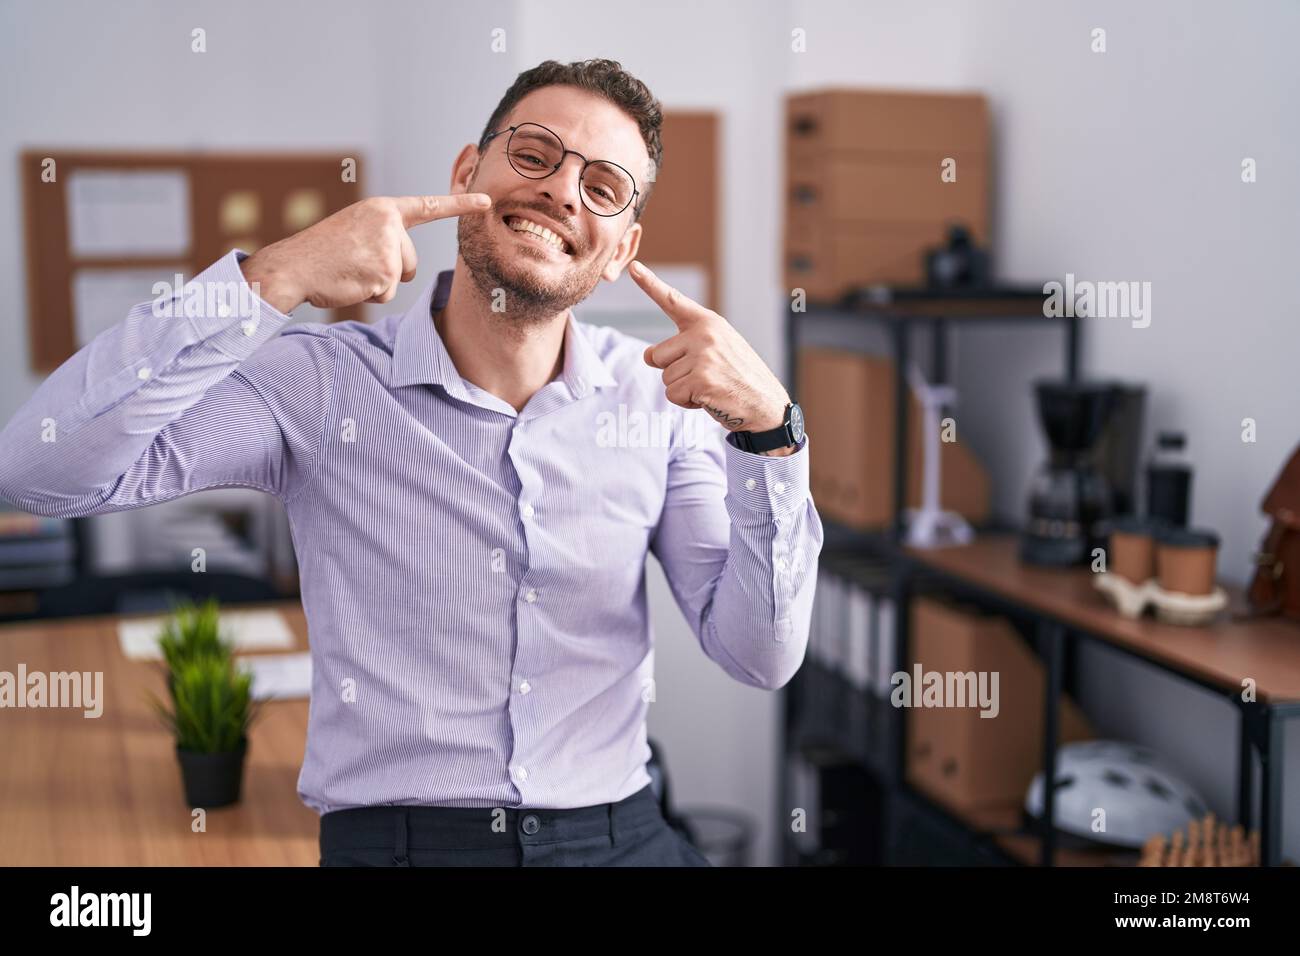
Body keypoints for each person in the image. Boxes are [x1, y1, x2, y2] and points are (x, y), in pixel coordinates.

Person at [0, 58, 822, 866]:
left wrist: (770, 438)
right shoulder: (319, 383)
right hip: (405, 845)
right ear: (468, 171)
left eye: (602, 186)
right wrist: (272, 276)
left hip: (622, 835)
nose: (562, 192)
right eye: (534, 153)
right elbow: (38, 471)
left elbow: (759, 655)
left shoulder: (657, 401)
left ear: (621, 248)